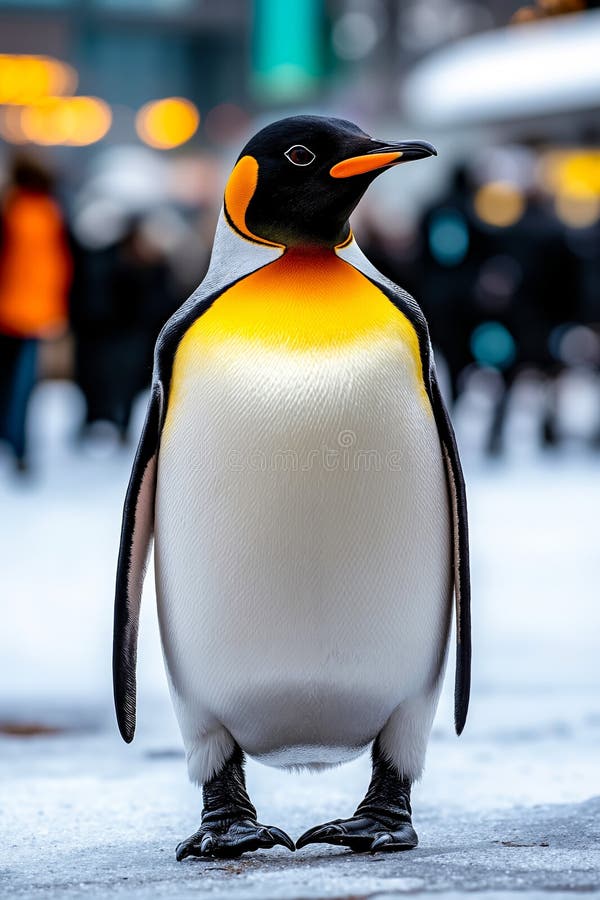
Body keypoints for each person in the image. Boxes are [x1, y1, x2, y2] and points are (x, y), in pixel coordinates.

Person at [0, 154, 71, 471]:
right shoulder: (50, 211)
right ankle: (19, 446)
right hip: (37, 313)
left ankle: (14, 442)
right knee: (23, 386)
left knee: (10, 383)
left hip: (9, 309)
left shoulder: (12, 210)